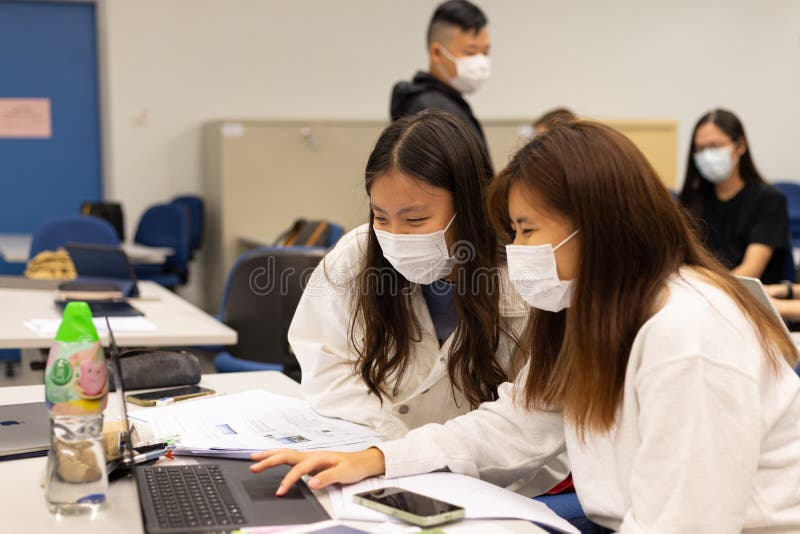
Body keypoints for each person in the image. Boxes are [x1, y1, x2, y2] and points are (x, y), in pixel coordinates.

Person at [252, 121, 800, 533]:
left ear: (598, 225)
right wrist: (379, 459)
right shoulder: (597, 309)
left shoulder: (687, 332)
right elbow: (519, 420)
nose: (514, 250)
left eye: (526, 229)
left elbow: (684, 523)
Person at [287, 109, 568, 495]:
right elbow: (326, 364)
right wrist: (391, 448)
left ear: (468, 209)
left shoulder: (528, 281)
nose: (395, 235)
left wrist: (403, 456)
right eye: (381, 217)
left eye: (415, 220)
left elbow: (526, 422)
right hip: (373, 462)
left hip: (500, 483)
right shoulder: (357, 255)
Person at [679, 108, 791, 284]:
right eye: (700, 149)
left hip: (747, 295)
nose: (706, 156)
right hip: (701, 290)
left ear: (740, 146)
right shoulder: (691, 200)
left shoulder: (769, 200)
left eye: (714, 146)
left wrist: (707, 288)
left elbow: (749, 272)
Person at [390, 0, 490, 149]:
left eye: (485, 52)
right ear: (436, 52)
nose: (481, 61)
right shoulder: (432, 113)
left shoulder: (449, 103)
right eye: (471, 52)